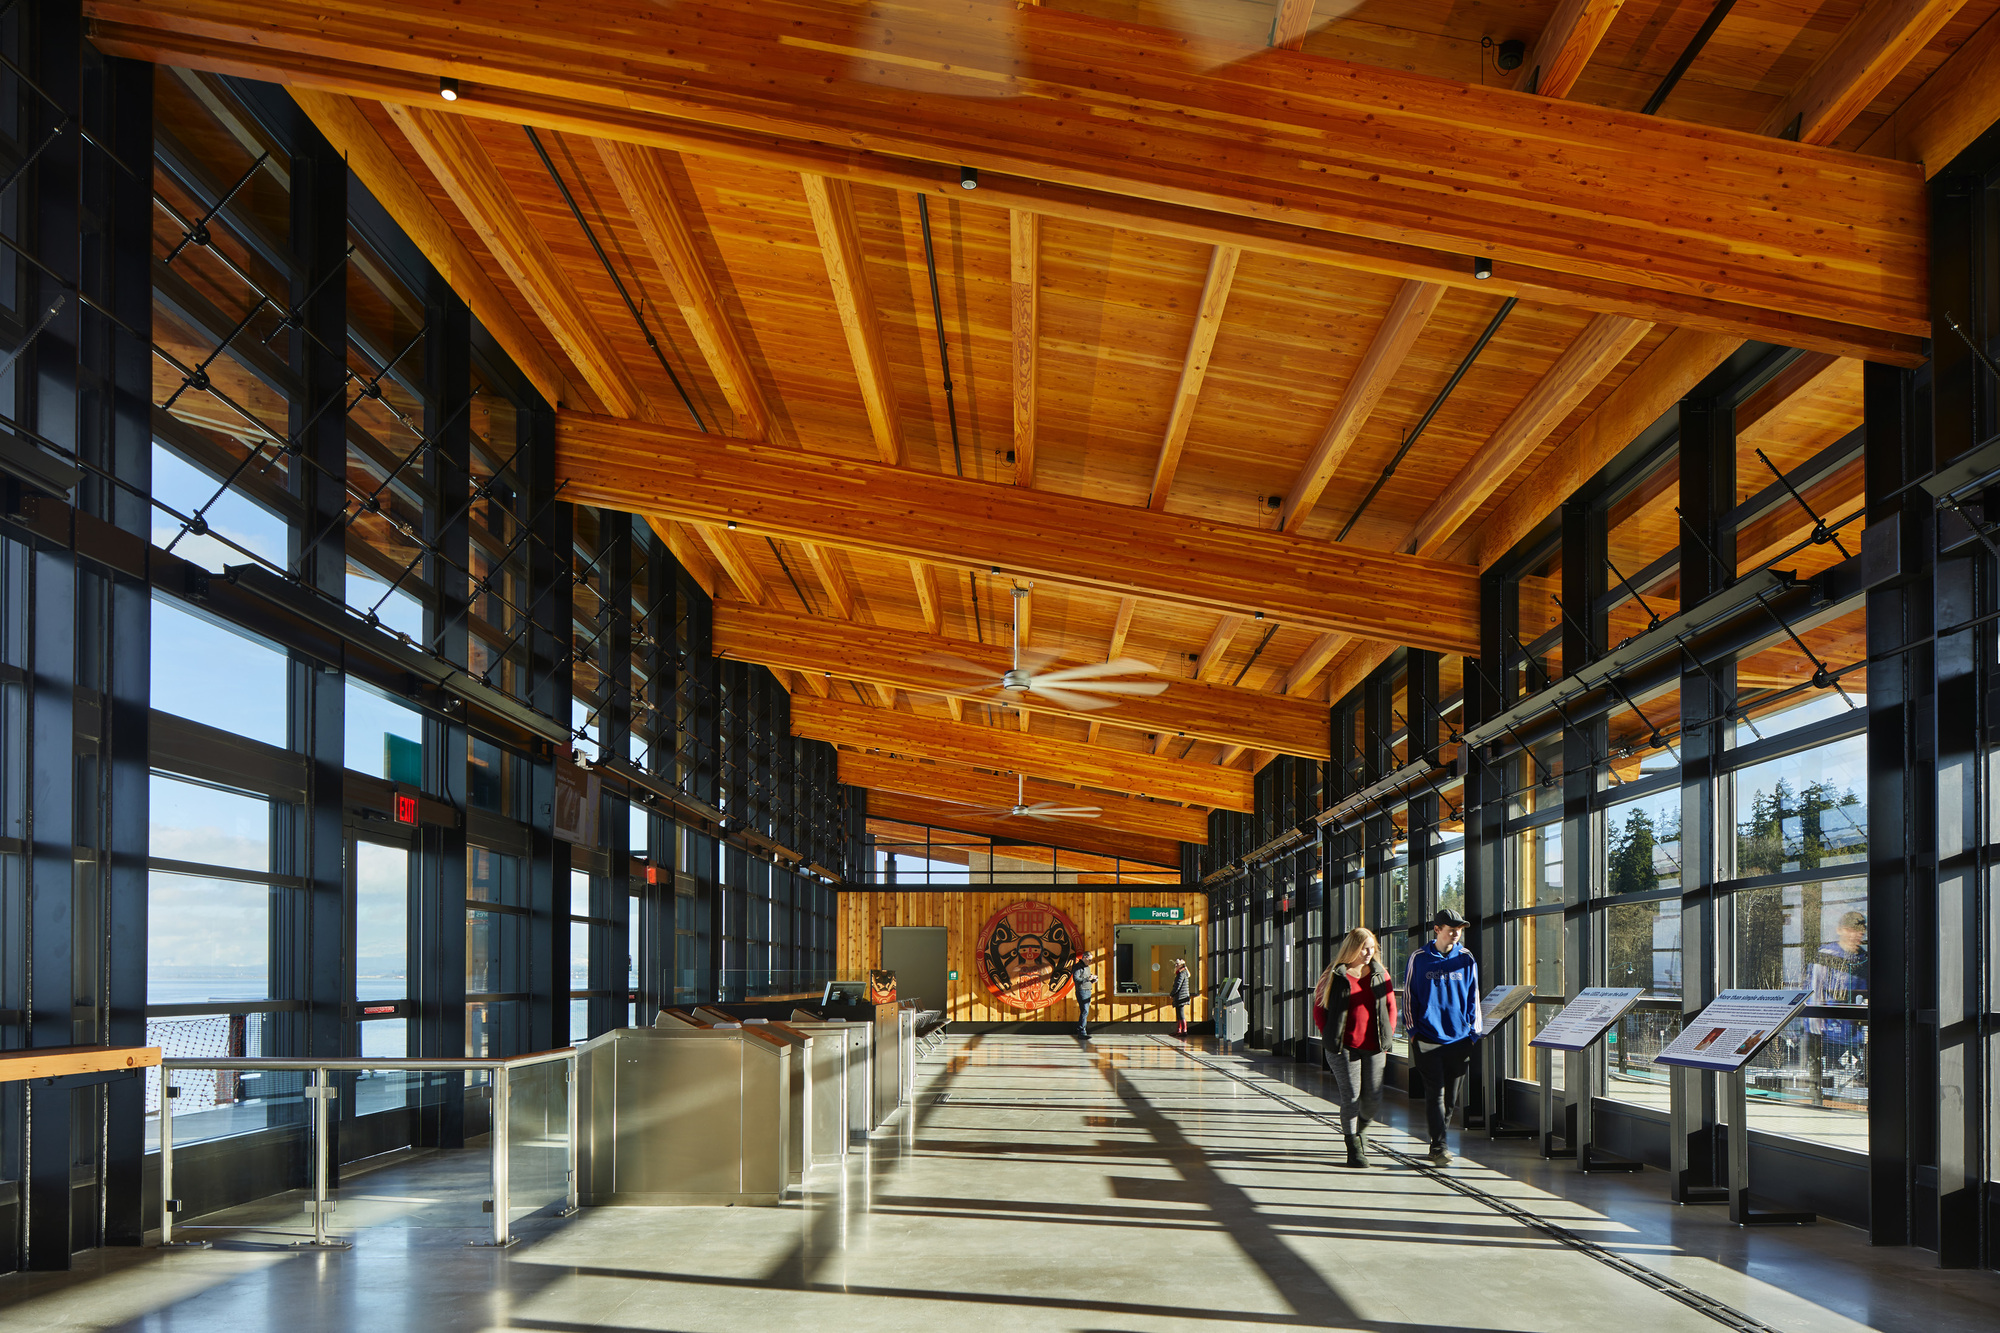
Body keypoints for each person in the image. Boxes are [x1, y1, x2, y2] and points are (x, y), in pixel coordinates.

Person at [1312, 927, 1397, 1168]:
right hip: (1343, 1047)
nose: (1369, 952)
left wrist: (1387, 1039)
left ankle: (1361, 1131)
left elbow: (1391, 1008)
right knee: (1351, 1097)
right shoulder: (1334, 974)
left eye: (1372, 948)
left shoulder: (1381, 974)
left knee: (1373, 1097)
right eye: (1364, 948)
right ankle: (1353, 1147)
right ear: (1353, 948)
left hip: (1375, 1046)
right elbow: (1319, 1009)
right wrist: (1330, 1036)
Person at [1405, 908, 1481, 1167]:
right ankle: (1439, 1146)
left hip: (1460, 1040)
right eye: (1451, 929)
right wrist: (1413, 1032)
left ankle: (1438, 1142)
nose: (1456, 934)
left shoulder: (1467, 958)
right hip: (1427, 1038)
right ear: (1437, 929)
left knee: (1450, 1099)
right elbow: (1409, 997)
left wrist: (1473, 1033)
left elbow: (1474, 996)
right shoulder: (1419, 958)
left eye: (1459, 929)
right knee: (1435, 1093)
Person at [1809, 910, 1868, 1079]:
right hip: (1828, 1034)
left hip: (1858, 1035)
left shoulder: (1865, 959)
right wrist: (1816, 1028)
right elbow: (1815, 991)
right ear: (1840, 930)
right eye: (1851, 930)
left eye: (1859, 931)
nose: (1856, 935)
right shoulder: (1826, 956)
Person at [1071, 952, 1097, 1041]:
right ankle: (1081, 1032)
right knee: (1084, 1011)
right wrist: (1088, 979)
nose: (1090, 961)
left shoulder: (1087, 967)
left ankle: (1082, 1030)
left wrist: (1092, 980)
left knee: (1085, 1011)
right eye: (1089, 959)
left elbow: (1085, 979)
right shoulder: (1078, 967)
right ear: (1084, 957)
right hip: (1082, 991)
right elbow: (1076, 979)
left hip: (1087, 990)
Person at [1170, 959, 1192, 1038]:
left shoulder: (1181, 974)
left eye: (1177, 964)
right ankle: (1179, 1030)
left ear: (1182, 965)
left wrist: (1172, 994)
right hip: (1181, 995)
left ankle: (1183, 1030)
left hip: (1181, 996)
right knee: (1178, 1013)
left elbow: (1177, 985)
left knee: (1180, 1013)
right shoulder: (1182, 973)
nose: (1176, 966)